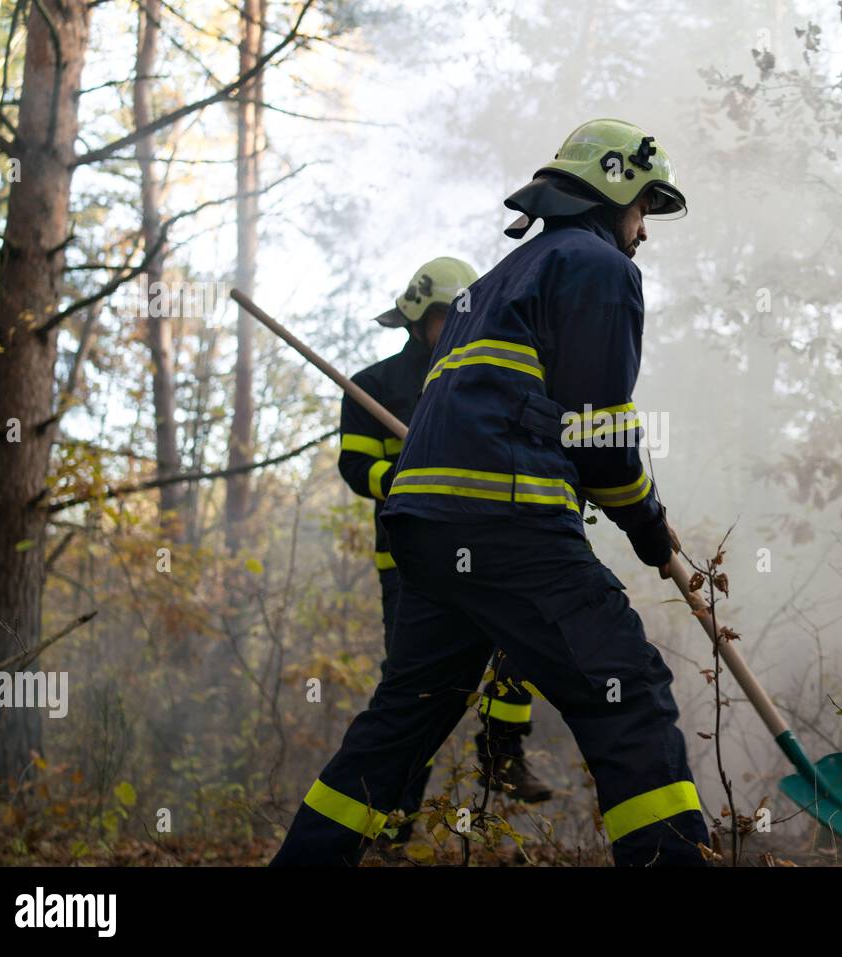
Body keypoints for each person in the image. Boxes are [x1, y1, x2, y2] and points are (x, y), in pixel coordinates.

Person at [273, 119, 707, 867]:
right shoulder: (597, 268)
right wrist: (646, 520)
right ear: (616, 191)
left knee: (405, 719)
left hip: (426, 533)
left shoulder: (495, 280)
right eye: (644, 209)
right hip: (507, 525)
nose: (644, 232)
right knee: (625, 692)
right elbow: (598, 434)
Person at [335, 258, 553, 840]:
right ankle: (392, 827)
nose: (459, 323)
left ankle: (503, 754)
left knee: (518, 648)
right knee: (416, 697)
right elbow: (357, 469)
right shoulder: (373, 387)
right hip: (410, 565)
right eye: (446, 315)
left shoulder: (485, 378)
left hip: (487, 550)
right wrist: (411, 471)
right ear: (416, 318)